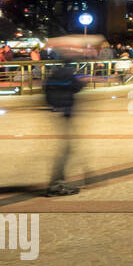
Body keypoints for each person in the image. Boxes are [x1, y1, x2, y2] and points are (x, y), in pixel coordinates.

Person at [43, 60, 85, 195]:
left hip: (56, 110)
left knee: (66, 148)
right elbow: (77, 87)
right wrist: (84, 81)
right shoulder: (68, 73)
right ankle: (56, 185)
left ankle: (57, 183)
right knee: (66, 149)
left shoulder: (56, 73)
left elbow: (45, 89)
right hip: (65, 112)